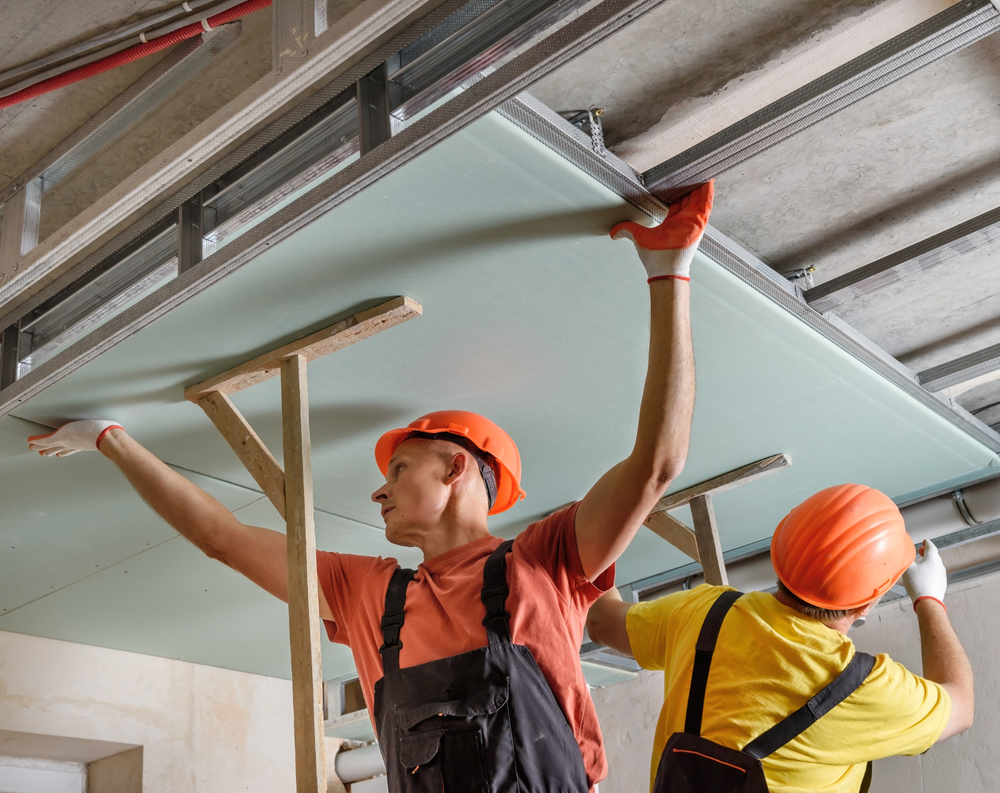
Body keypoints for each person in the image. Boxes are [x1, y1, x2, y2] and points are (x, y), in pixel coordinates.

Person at [27, 181, 714, 792]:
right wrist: (107, 439)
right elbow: (223, 540)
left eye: (397, 469)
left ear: (456, 468)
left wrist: (668, 272)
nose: (379, 492)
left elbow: (656, 462)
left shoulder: (545, 560)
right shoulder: (369, 596)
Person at [586, 483, 974, 793]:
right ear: (867, 604)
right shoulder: (861, 687)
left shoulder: (706, 613)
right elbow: (961, 707)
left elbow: (602, 623)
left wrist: (588, 531)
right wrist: (928, 598)